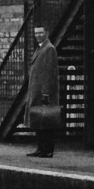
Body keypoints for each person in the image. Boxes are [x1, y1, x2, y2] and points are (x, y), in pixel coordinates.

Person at [25, 24, 60, 158]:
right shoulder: (41, 49)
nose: (38, 35)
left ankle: (47, 149)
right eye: (36, 33)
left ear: (47, 33)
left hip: (42, 93)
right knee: (39, 121)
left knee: (46, 121)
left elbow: (49, 73)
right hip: (37, 91)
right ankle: (41, 148)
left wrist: (46, 92)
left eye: (40, 33)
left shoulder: (49, 49)